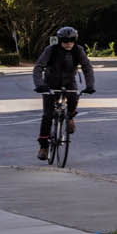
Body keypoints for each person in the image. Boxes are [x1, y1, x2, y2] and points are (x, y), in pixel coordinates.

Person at [32, 26, 95, 159]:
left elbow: (87, 67)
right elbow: (38, 67)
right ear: (60, 40)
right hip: (50, 84)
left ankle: (70, 117)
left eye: (72, 40)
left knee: (73, 99)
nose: (68, 43)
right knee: (47, 115)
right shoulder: (51, 50)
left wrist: (90, 86)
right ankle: (43, 147)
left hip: (69, 82)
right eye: (65, 40)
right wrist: (40, 85)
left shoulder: (78, 50)